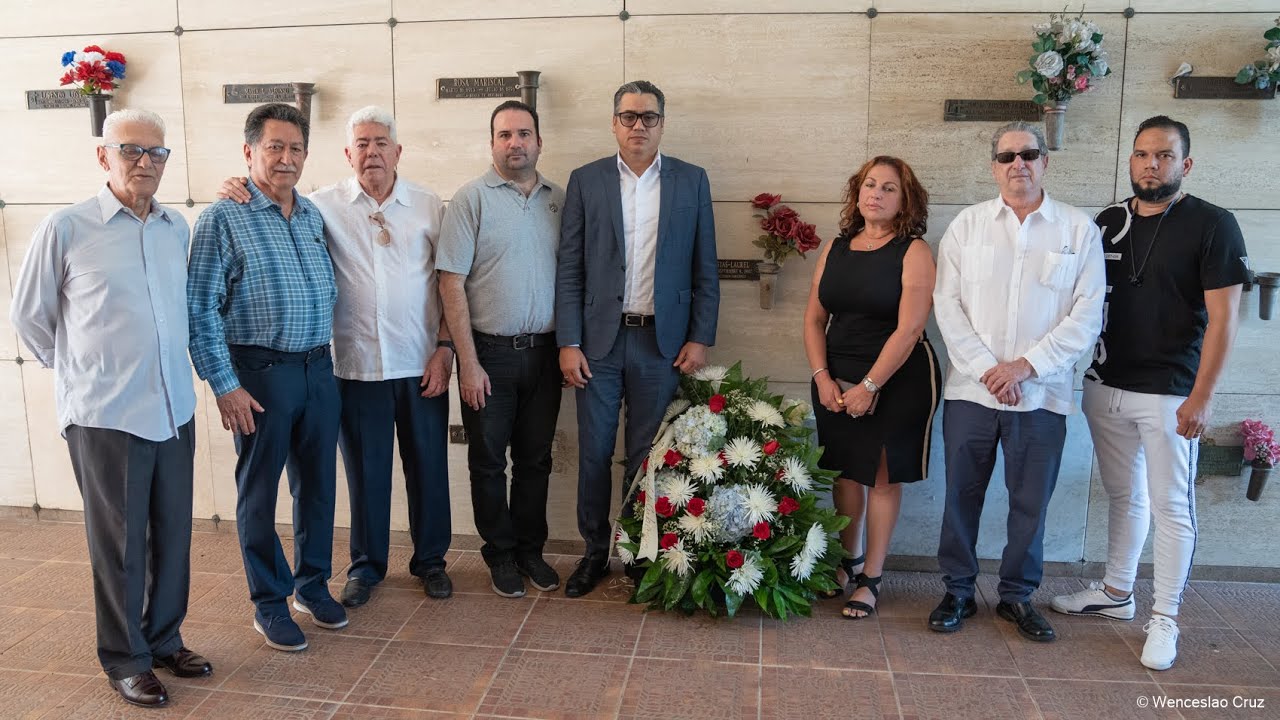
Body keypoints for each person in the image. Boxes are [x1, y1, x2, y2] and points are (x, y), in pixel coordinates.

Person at [216, 106, 456, 608]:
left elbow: (449, 284)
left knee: (429, 467)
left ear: (397, 151)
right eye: (362, 144)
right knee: (366, 473)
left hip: (420, 363)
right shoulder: (319, 206)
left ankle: (431, 560)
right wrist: (235, 185)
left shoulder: (429, 205)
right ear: (348, 154)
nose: (372, 152)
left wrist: (446, 348)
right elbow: (270, 195)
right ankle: (367, 566)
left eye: (381, 142)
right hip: (355, 365)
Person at [10, 109, 211, 708]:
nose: (145, 163)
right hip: (106, 416)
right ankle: (126, 658)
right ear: (104, 156)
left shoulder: (176, 228)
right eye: (132, 151)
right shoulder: (67, 227)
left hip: (173, 405)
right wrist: (84, 373)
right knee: (120, 543)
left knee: (173, 532)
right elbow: (30, 318)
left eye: (157, 153)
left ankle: (165, 636)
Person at [1051, 116, 1248, 670]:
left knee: (1171, 507)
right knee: (1124, 496)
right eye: (1141, 155)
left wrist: (1202, 397)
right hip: (1105, 384)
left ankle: (1165, 618)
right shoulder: (1108, 220)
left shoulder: (1213, 224)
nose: (1151, 164)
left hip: (1170, 393)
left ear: (1185, 164)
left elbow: (1225, 319)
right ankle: (1117, 593)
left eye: (1164, 155)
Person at [928, 121, 1105, 642]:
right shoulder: (968, 226)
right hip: (971, 393)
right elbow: (947, 305)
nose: (1017, 164)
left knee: (1031, 502)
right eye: (1006, 157)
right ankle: (958, 589)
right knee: (961, 494)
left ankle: (1017, 596)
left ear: (1045, 161)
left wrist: (1024, 367)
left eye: (1028, 154)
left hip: (1042, 395)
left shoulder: (1078, 230)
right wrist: (990, 369)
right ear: (993, 167)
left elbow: (1086, 315)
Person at [188, 103, 344, 652]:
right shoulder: (222, 218)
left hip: (319, 369)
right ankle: (270, 603)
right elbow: (201, 309)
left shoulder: (310, 215)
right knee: (259, 492)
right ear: (249, 152)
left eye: (296, 148)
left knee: (318, 486)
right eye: (274, 147)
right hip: (260, 374)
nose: (286, 158)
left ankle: (312, 585)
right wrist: (225, 384)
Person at [556, 80, 721, 598]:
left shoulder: (691, 181)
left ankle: (636, 551)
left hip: (661, 345)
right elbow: (570, 268)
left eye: (648, 117)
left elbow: (705, 268)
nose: (638, 126)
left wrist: (700, 337)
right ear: (613, 123)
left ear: (662, 124)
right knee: (594, 455)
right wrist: (568, 340)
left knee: (648, 456)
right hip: (598, 346)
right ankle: (592, 554)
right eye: (628, 116)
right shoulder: (588, 180)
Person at [803, 156, 941, 619]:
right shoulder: (836, 246)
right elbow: (814, 317)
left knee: (881, 476)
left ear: (905, 201)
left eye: (887, 188)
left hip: (898, 377)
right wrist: (823, 376)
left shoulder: (914, 250)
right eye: (869, 184)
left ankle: (873, 578)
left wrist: (868, 384)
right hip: (835, 376)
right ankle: (849, 561)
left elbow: (909, 329)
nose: (875, 194)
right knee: (845, 472)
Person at [437, 100, 564, 599]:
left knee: (535, 460)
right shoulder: (471, 199)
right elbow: (450, 283)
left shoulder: (560, 199)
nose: (516, 143)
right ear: (492, 143)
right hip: (488, 354)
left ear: (538, 141)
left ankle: (532, 550)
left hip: (547, 354)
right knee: (489, 460)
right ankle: (501, 554)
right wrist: (467, 362)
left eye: (524, 133)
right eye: (505, 134)